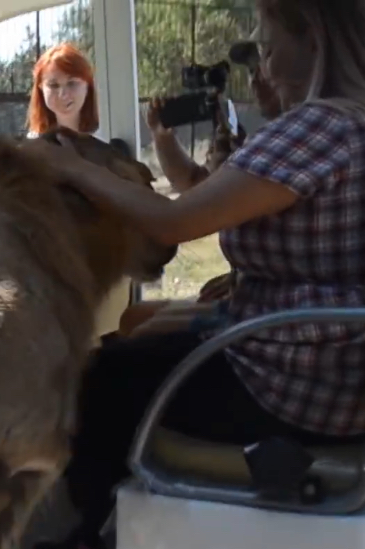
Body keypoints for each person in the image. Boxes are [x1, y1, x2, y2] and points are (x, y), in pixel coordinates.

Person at [29, 0, 365, 549]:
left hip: (293, 383)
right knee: (142, 336)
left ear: (315, 42)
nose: (265, 66)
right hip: (346, 366)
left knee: (97, 382)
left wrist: (68, 170)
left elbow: (174, 222)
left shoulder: (322, 126)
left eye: (272, 47)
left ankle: (95, 547)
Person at [118, 45, 284, 337]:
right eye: (251, 71)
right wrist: (162, 137)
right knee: (134, 318)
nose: (254, 80)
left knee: (140, 333)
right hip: (255, 301)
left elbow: (175, 219)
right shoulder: (267, 140)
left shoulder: (285, 143)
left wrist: (74, 169)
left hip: (266, 320)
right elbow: (195, 183)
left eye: (264, 65)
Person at [26, 43, 99, 138]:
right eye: (54, 85)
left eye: (72, 83)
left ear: (87, 85)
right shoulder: (31, 147)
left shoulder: (104, 143)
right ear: (40, 88)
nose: (63, 94)